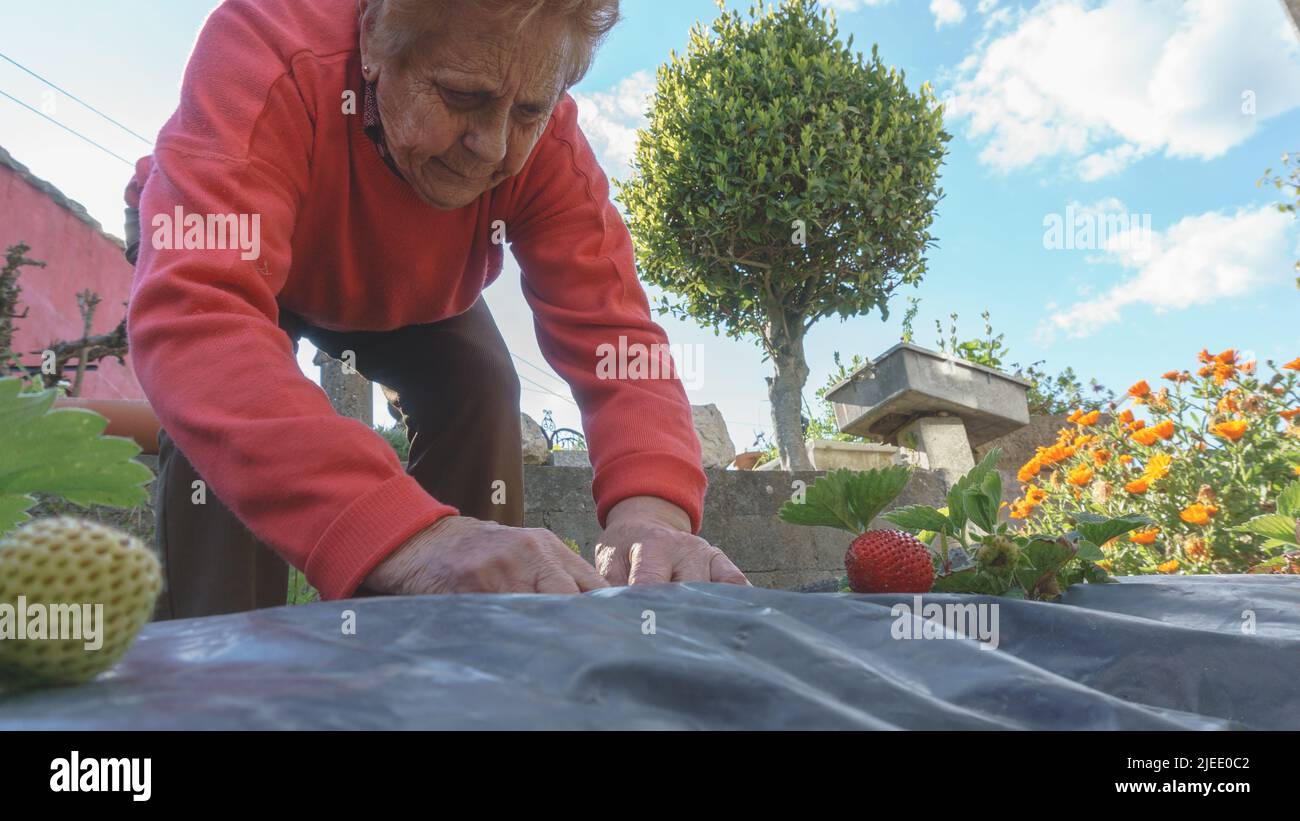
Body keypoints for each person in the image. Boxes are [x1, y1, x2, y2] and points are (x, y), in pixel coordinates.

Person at [124, 0, 748, 619]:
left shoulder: (549, 148)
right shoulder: (263, 49)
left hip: (413, 283)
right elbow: (199, 316)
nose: (494, 150)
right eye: (460, 96)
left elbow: (615, 334)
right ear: (372, 41)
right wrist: (406, 537)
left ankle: (459, 648)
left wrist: (651, 514)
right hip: (241, 243)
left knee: (478, 385)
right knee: (214, 401)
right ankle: (216, 654)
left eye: (529, 109)